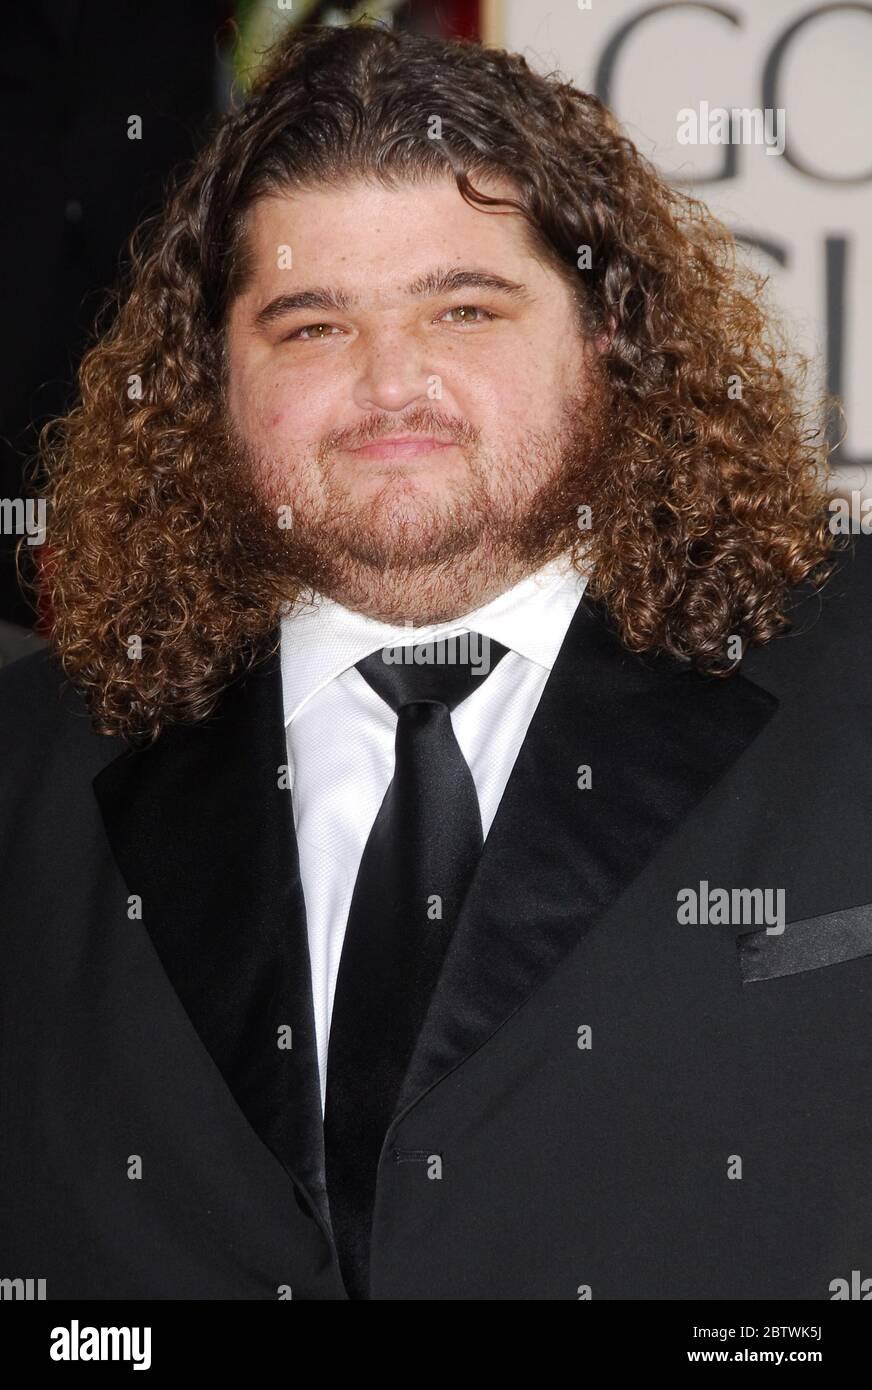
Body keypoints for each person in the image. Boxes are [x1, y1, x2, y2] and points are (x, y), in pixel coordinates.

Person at [1, 21, 870, 1302]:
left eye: (462, 307)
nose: (389, 382)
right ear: (211, 386)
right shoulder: (26, 764)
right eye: (308, 326)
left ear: (609, 339)